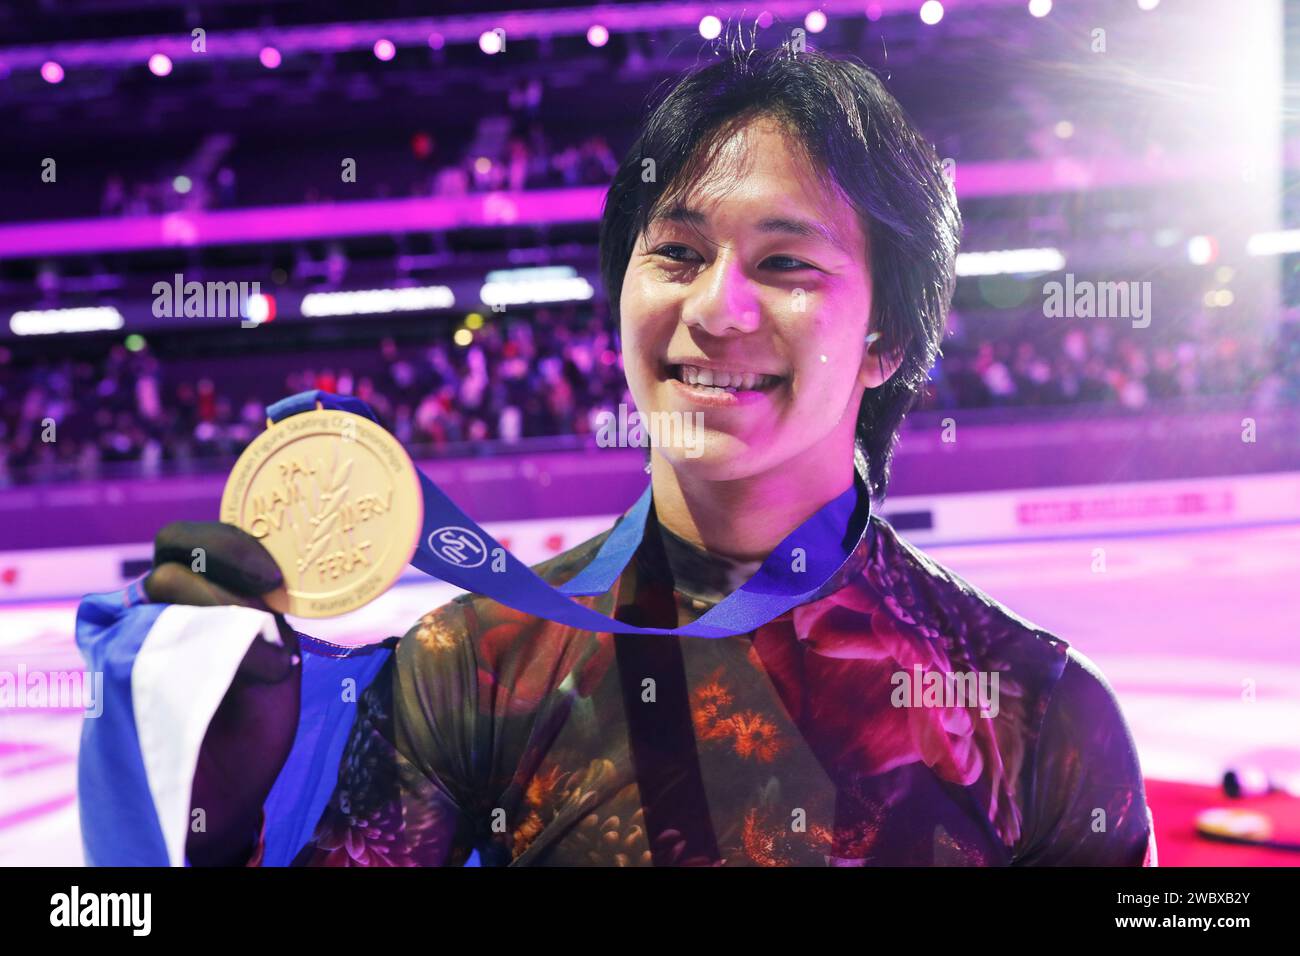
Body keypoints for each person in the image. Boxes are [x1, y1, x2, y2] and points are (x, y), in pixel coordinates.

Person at [83, 44, 1154, 867]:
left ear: (886, 339)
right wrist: (207, 827)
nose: (715, 309)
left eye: (785, 263)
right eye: (677, 252)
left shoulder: (1037, 710)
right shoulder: (469, 666)